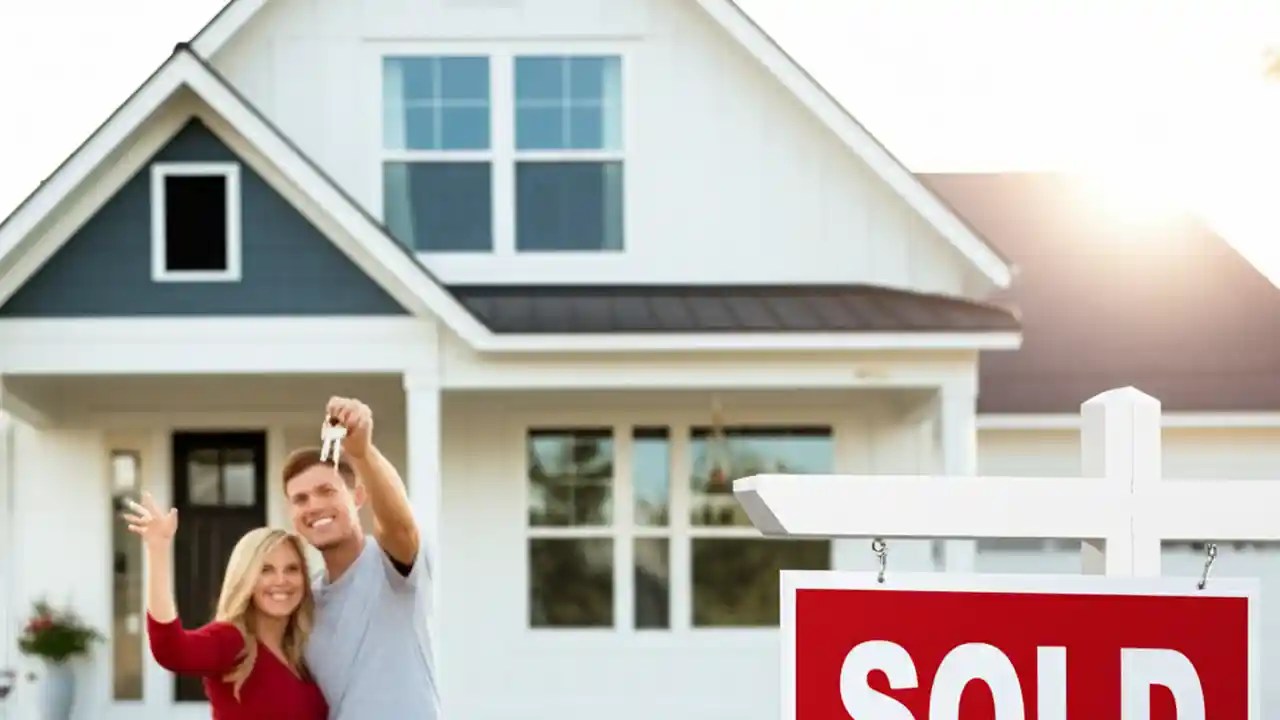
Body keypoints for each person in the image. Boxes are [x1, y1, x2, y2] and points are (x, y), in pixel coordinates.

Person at [282, 396, 438, 719]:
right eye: (300, 499)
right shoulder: (303, 602)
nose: (313, 506)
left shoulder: (391, 567)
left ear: (358, 496)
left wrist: (362, 453)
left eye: (327, 491)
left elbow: (400, 526)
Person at [123, 493, 327, 719]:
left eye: (291, 569)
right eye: (265, 570)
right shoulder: (233, 640)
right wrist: (158, 550)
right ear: (246, 578)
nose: (281, 580)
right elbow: (172, 650)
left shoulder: (300, 652)